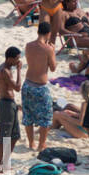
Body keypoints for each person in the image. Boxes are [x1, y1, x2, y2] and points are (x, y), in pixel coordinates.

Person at [22, 20, 55, 152]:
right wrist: (52, 50)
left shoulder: (28, 46)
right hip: (40, 86)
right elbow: (53, 68)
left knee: (28, 115)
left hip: (27, 84)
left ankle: (31, 143)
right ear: (48, 33)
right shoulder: (48, 49)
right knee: (46, 116)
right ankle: (41, 144)